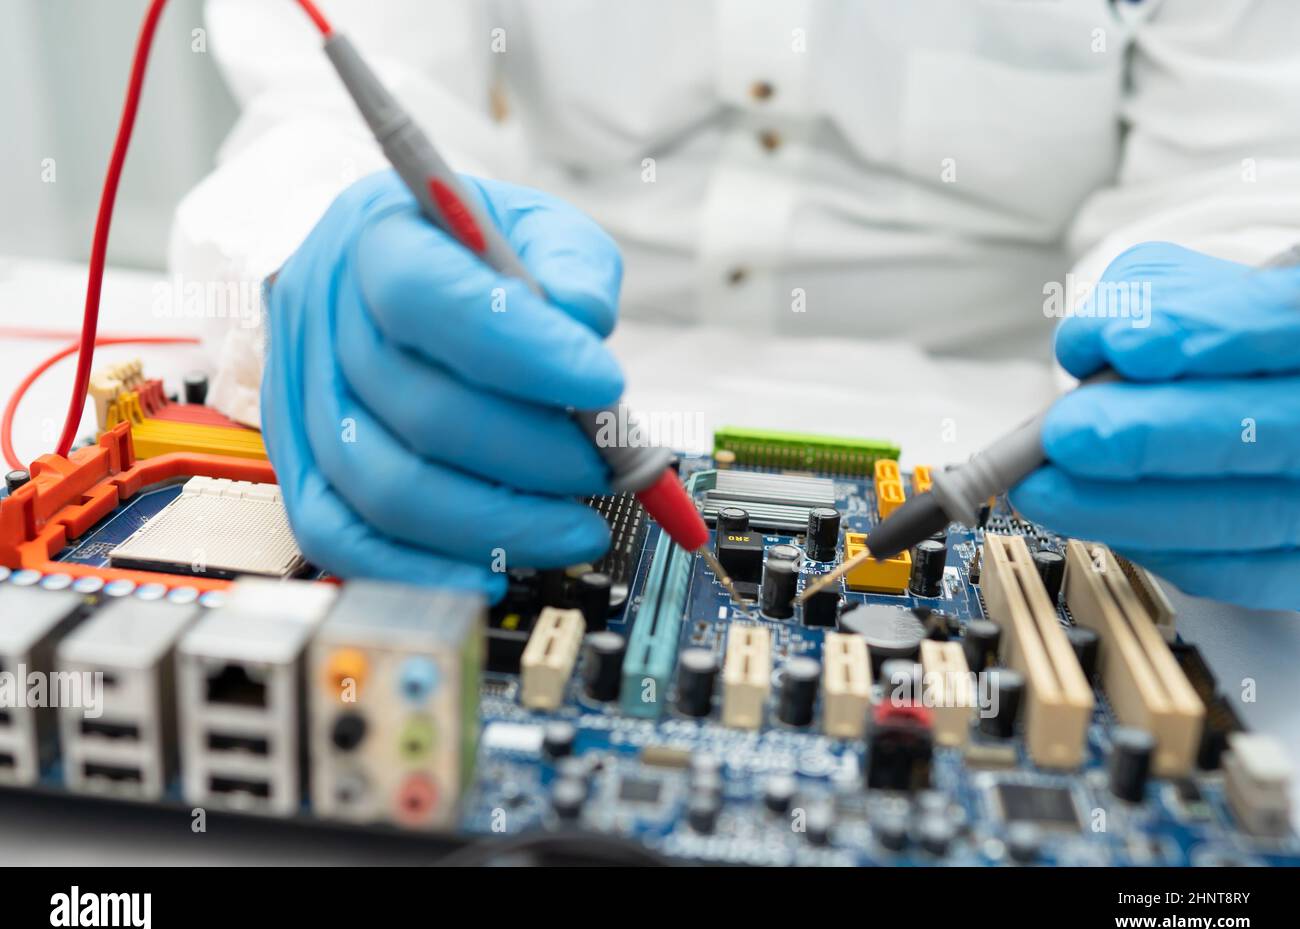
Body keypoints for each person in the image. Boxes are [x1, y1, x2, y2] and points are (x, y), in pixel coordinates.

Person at [171, 0, 1300, 610]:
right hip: (525, 399)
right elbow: (345, 109)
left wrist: (1235, 370)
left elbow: (1243, 176)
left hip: (1019, 440)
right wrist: (327, 244)